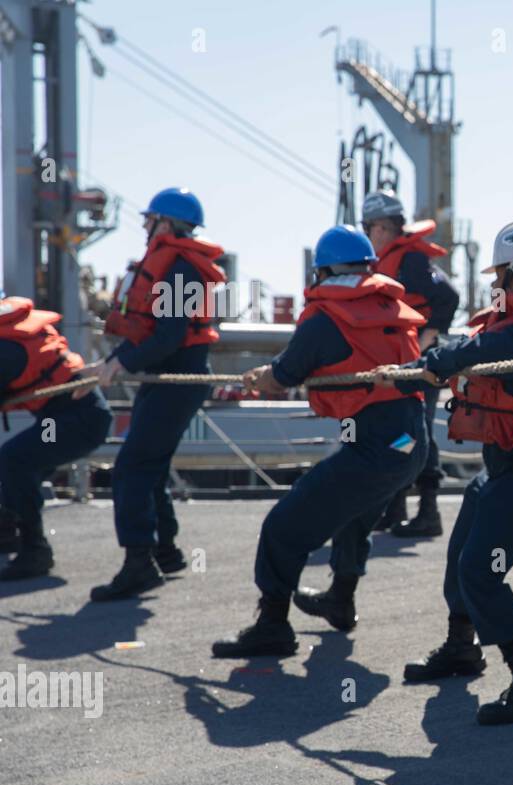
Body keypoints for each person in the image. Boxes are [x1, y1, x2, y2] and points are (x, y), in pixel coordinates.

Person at [394, 220, 513, 725]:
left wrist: (429, 363)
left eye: (499, 277)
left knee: (482, 569)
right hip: (506, 469)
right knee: (463, 556)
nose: (494, 287)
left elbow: (474, 352)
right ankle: (462, 647)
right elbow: (477, 349)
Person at [211, 225, 426, 658]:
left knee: (283, 527)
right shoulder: (392, 308)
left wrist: (259, 378)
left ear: (322, 271)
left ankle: (273, 625)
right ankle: (340, 601)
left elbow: (285, 374)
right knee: (354, 517)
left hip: (374, 447)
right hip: (411, 444)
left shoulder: (326, 314)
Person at [88, 187, 225, 601]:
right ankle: (164, 550)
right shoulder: (173, 265)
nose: (145, 228)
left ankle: (139, 564)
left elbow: (168, 336)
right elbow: (152, 333)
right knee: (150, 463)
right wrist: (112, 360)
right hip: (163, 377)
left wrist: (120, 364)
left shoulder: (180, 268)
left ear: (166, 224)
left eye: (150, 221)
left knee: (132, 467)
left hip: (176, 379)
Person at [361, 190, 460, 538]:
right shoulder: (389, 258)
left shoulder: (410, 260)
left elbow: (447, 296)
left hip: (419, 363)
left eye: (371, 226)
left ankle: (428, 512)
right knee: (400, 433)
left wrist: (430, 335)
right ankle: (396, 508)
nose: (369, 233)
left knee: (417, 433)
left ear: (385, 227)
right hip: (401, 363)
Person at [0, 294, 111, 579]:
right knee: (17, 466)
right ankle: (8, 535)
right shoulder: (11, 336)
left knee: (15, 461)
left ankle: (35, 550)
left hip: (76, 420)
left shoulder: (6, 350)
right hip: (62, 417)